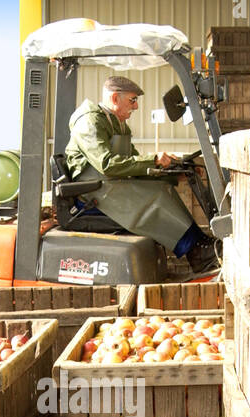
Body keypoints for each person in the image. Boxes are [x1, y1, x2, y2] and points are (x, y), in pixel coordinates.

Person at [64, 76, 218, 271]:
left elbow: (133, 164)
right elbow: (107, 165)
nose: (136, 107)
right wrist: (153, 160)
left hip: (108, 183)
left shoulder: (116, 123)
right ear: (114, 98)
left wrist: (171, 174)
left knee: (164, 187)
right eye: (132, 100)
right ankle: (195, 251)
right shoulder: (90, 122)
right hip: (92, 191)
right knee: (156, 196)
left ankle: (199, 242)